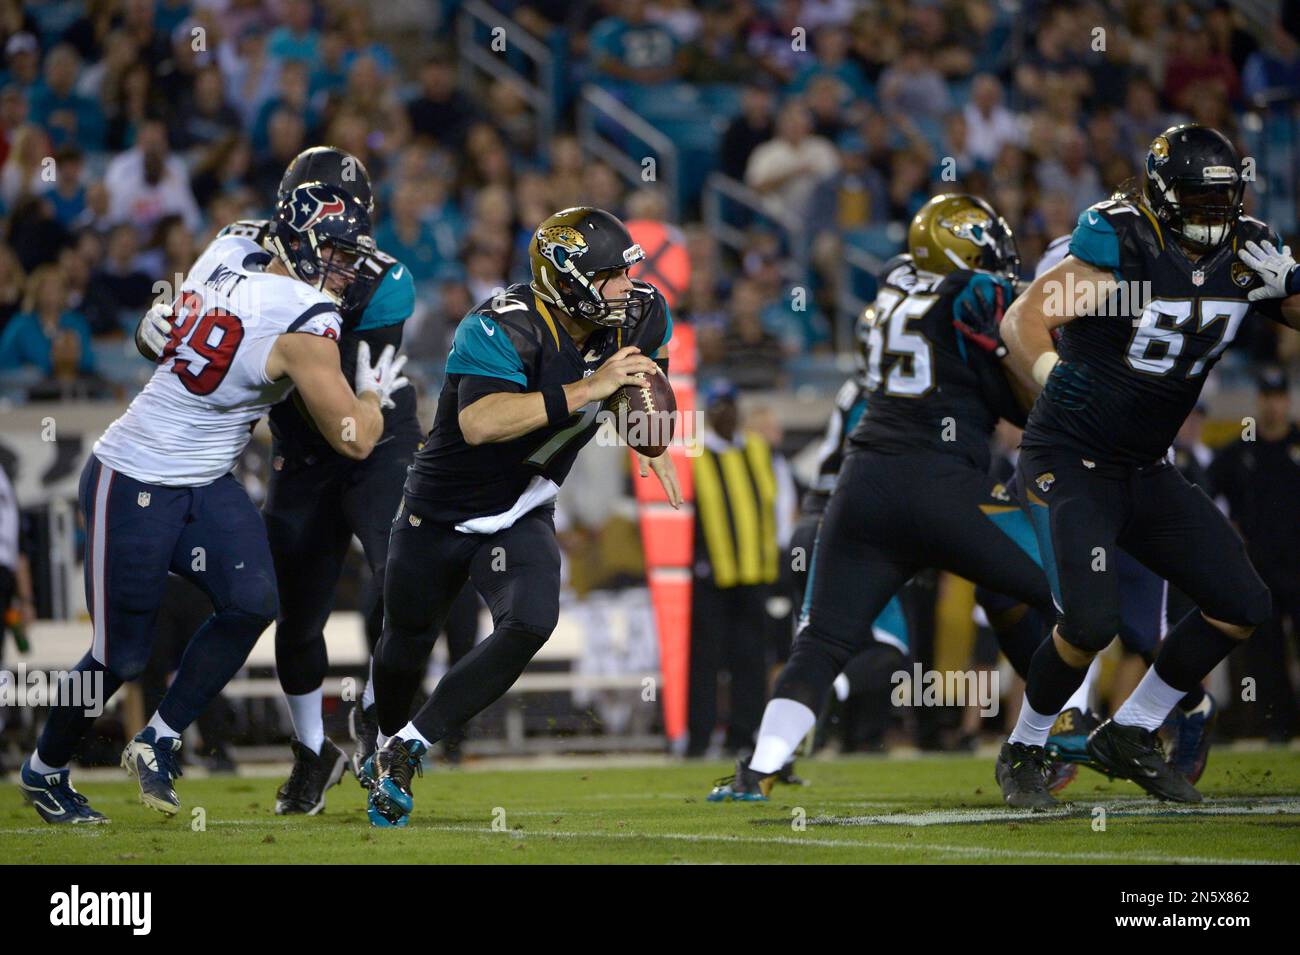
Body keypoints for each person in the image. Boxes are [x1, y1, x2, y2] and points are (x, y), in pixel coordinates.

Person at [17, 182, 408, 824]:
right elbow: (357, 440)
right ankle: (44, 769)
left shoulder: (229, 246)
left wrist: (149, 333)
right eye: (335, 251)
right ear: (302, 243)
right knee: (121, 655)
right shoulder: (309, 319)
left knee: (255, 599)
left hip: (204, 479)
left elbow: (166, 337)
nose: (345, 268)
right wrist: (372, 394)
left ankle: (161, 737)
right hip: (135, 473)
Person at [710, 194, 1057, 801]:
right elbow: (1015, 398)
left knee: (819, 640)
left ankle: (755, 771)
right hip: (945, 485)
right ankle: (1068, 730)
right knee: (1070, 589)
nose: (998, 266)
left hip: (863, 484)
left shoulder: (894, 285)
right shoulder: (971, 296)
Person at [997, 124, 1300, 807]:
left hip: (1144, 464)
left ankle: (1129, 730)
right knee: (1089, 622)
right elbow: (1023, 320)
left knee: (1242, 603)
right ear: (1164, 197)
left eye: (1224, 203)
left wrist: (1295, 280)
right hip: (1070, 455)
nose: (1214, 218)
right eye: (1199, 202)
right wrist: (1050, 373)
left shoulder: (1249, 250)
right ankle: (1024, 745)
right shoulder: (1122, 239)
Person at [366, 206, 680, 827]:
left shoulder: (642, 314)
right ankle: (379, 735)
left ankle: (409, 746)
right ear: (568, 280)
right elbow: (480, 423)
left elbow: (641, 382)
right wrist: (591, 390)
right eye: (611, 277)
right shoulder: (501, 325)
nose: (627, 289)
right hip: (440, 511)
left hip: (522, 506)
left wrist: (651, 439)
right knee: (404, 644)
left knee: (531, 620)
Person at [135, 146, 426, 816]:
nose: (346, 265)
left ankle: (382, 713)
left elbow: (353, 417)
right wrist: (157, 326)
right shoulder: (240, 248)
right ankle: (312, 751)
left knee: (400, 574)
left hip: (373, 433)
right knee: (296, 618)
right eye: (331, 240)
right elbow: (198, 322)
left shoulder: (386, 283)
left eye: (354, 242)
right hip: (301, 446)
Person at [1209, 367, 1300, 741]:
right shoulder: (1239, 451)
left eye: (1279, 397)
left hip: (1298, 566)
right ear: (1258, 400)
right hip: (1259, 569)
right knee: (1267, 653)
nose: (1273, 406)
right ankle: (1278, 725)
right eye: (1267, 397)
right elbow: (1206, 496)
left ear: (1288, 401)